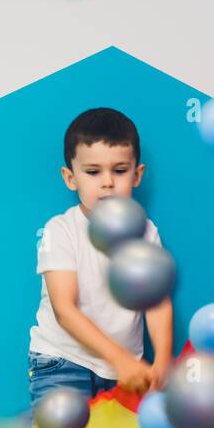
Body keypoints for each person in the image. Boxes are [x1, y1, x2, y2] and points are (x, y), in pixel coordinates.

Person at [27, 107, 173, 407]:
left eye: (119, 171)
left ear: (136, 175)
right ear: (70, 178)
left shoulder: (145, 232)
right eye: (93, 172)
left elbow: (156, 300)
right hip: (63, 361)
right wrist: (119, 360)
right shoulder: (61, 230)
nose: (107, 182)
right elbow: (64, 309)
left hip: (126, 370)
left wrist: (162, 360)